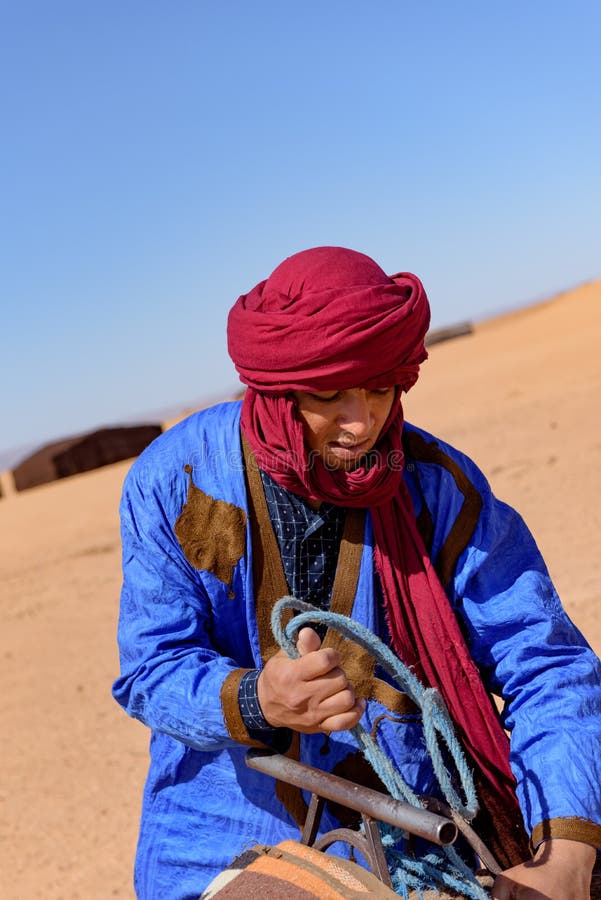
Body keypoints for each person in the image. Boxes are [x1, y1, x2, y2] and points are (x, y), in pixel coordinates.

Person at [113, 246, 601, 900]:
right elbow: (150, 671)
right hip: (222, 831)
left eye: (379, 388)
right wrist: (263, 699)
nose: (361, 420)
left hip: (417, 828)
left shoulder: (433, 488)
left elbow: (542, 663)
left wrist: (565, 857)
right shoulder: (176, 483)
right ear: (277, 387)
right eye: (328, 393)